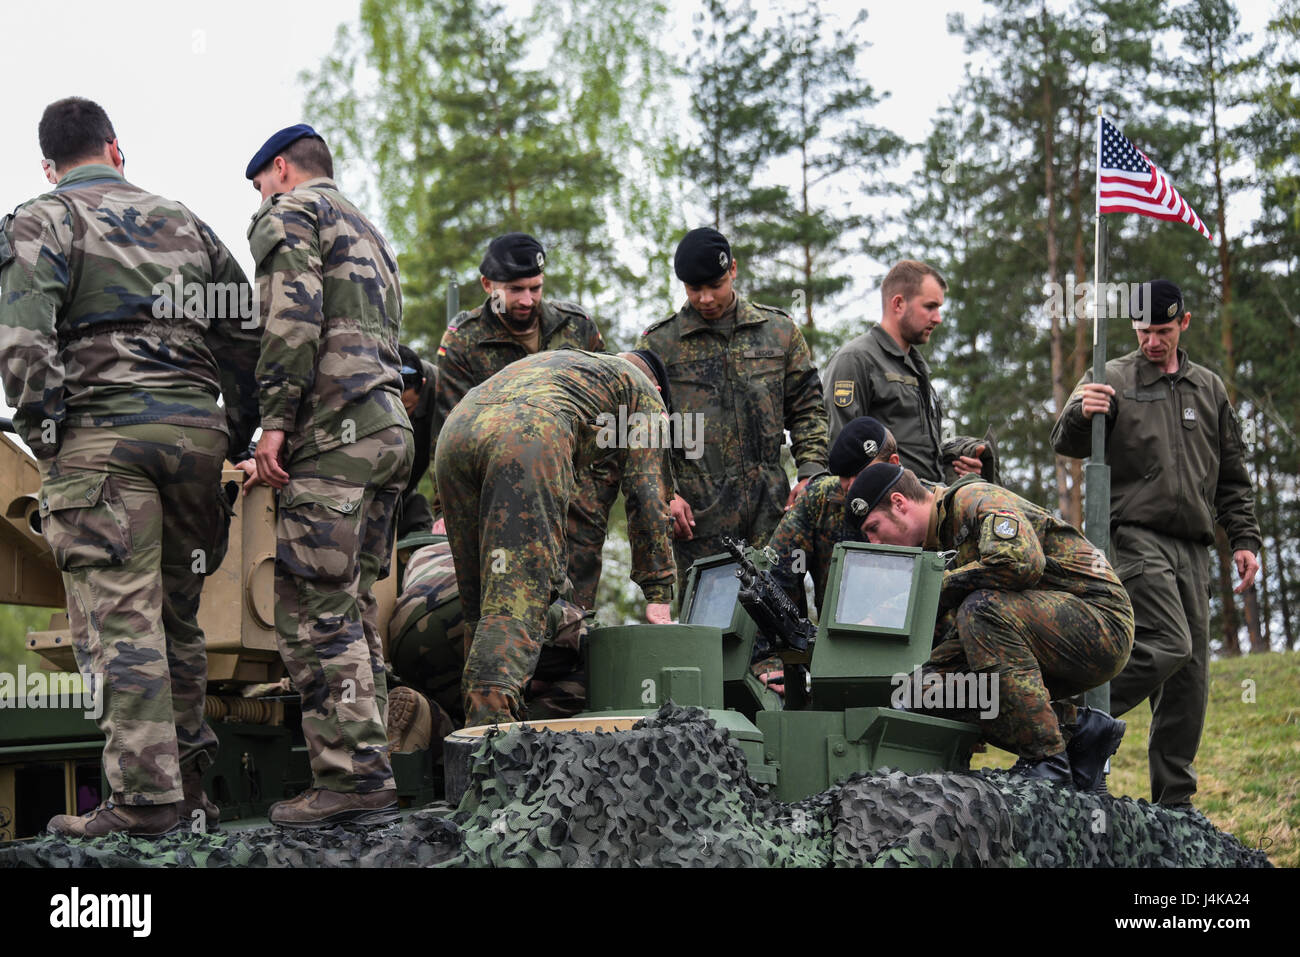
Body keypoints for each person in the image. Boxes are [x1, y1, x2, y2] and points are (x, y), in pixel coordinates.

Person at [0, 97, 260, 837]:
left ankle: (145, 805)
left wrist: (50, 438)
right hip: (194, 443)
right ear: (117, 148)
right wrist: (233, 432)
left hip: (100, 442)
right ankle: (190, 795)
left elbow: (21, 343)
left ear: (49, 166)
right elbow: (243, 328)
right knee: (177, 619)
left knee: (122, 624)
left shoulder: (40, 219)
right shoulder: (182, 219)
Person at [242, 124, 413, 828]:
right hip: (390, 433)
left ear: (280, 169)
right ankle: (372, 767)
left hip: (333, 436)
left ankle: (351, 777)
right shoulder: (370, 231)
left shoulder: (290, 214)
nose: (259, 198)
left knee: (312, 608)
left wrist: (273, 420)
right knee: (351, 606)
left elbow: (291, 317)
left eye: (258, 185)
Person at [1051, 279, 1261, 806]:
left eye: (1162, 331)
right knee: (1169, 643)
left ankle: (1175, 803)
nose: (1152, 342)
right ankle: (1065, 720)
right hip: (1136, 538)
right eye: (1144, 331)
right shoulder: (1113, 376)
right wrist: (1083, 409)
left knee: (1190, 680)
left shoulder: (1209, 388)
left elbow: (1232, 474)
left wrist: (1244, 538)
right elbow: (1065, 440)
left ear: (1183, 324)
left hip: (1195, 547)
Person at [848, 464, 1133, 789]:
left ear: (899, 503)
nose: (874, 541)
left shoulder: (973, 498)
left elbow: (1019, 564)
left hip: (1099, 622)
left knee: (980, 610)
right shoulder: (936, 546)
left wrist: (932, 589)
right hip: (1032, 633)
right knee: (918, 692)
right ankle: (1080, 732)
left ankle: (1047, 761)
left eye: (873, 527)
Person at [433, 349, 675, 727]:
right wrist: (659, 593)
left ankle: (472, 725)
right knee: (516, 597)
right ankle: (490, 736)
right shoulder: (644, 392)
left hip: (456, 432)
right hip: (527, 434)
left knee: (480, 605)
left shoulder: (574, 371)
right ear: (658, 388)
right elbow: (647, 494)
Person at [638, 227, 828, 598]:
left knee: (779, 626)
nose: (705, 298)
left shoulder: (778, 332)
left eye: (715, 285)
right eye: (694, 289)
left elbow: (807, 408)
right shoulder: (659, 345)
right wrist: (666, 495)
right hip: (700, 521)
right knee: (712, 637)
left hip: (771, 512)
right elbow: (644, 433)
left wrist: (811, 472)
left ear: (734, 271)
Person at [433, 233, 616, 609]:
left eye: (535, 288)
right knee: (507, 607)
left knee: (576, 617)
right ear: (487, 285)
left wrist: (599, 490)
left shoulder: (576, 328)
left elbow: (610, 406)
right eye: (515, 290)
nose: (527, 300)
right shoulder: (464, 343)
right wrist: (445, 512)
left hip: (577, 502)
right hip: (502, 500)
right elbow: (450, 433)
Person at [821, 260, 993, 483]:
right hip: (887, 506)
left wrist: (959, 466)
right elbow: (839, 451)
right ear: (899, 304)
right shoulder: (856, 360)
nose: (938, 318)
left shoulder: (917, 369)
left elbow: (918, 454)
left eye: (939, 308)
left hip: (927, 502)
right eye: (930, 307)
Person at [767, 416, 900, 617]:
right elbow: (782, 573)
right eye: (846, 476)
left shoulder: (920, 504)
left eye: (862, 473)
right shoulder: (819, 499)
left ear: (893, 463)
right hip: (835, 636)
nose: (853, 485)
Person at [396, 344, 437, 538]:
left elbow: (447, 458)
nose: (402, 416)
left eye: (408, 407)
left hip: (409, 490)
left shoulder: (442, 391)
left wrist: (445, 513)